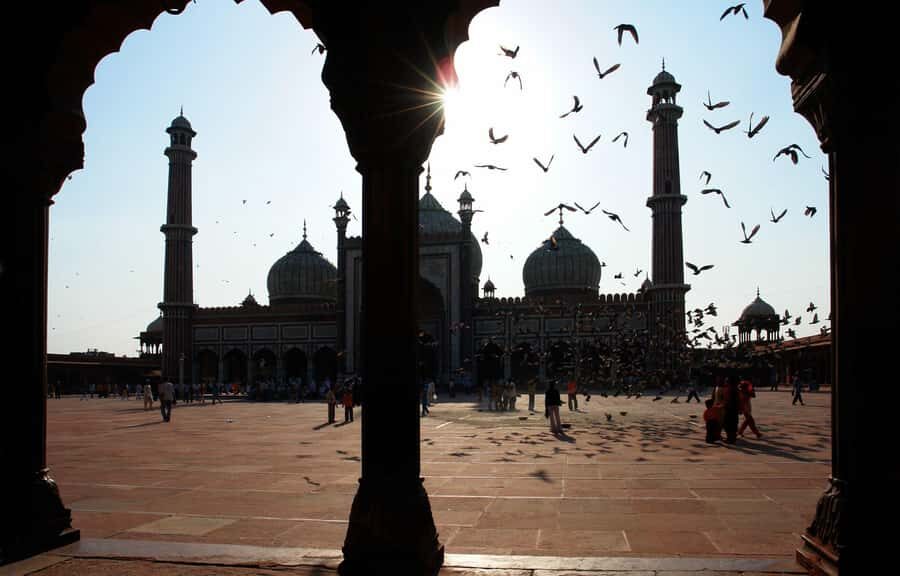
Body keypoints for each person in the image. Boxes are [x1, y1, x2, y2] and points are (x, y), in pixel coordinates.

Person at [722, 376, 740, 444]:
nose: (725, 382)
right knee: (732, 424)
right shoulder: (734, 389)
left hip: (730, 409)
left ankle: (730, 439)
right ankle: (732, 438)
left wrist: (725, 405)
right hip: (733, 409)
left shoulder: (731, 389)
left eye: (726, 381)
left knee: (728, 424)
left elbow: (730, 400)